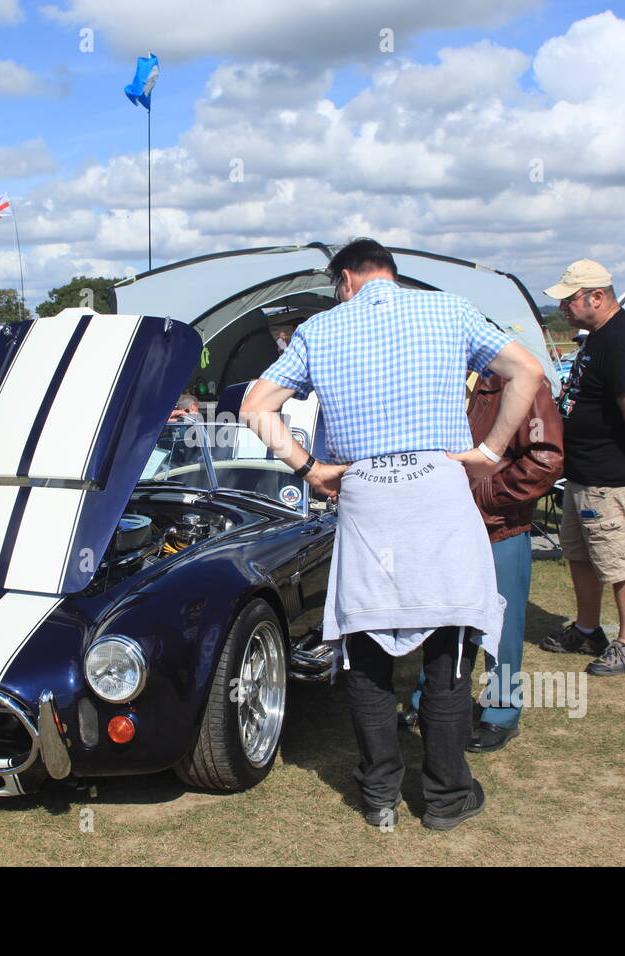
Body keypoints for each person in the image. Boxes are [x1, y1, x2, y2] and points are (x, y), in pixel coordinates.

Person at [240, 238, 544, 830]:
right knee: (449, 643)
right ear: (388, 274)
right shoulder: (449, 309)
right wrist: (490, 450)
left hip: (365, 492)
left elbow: (256, 406)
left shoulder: (320, 329)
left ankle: (380, 794)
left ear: (346, 279)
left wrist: (309, 468)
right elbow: (528, 371)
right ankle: (447, 797)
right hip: (439, 485)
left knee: (367, 646)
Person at [405, 373, 564, 752]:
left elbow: (545, 459)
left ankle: (502, 711)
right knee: (438, 619)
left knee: (502, 627)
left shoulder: (519, 381)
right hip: (437, 525)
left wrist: (484, 498)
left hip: (497, 528)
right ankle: (430, 700)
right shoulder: (428, 375)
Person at [541, 260, 625, 677]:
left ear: (597, 296)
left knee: (618, 562)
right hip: (584, 474)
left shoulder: (621, 341)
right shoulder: (599, 336)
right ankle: (587, 628)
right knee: (580, 556)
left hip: (609, 477)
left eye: (569, 299)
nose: (562, 307)